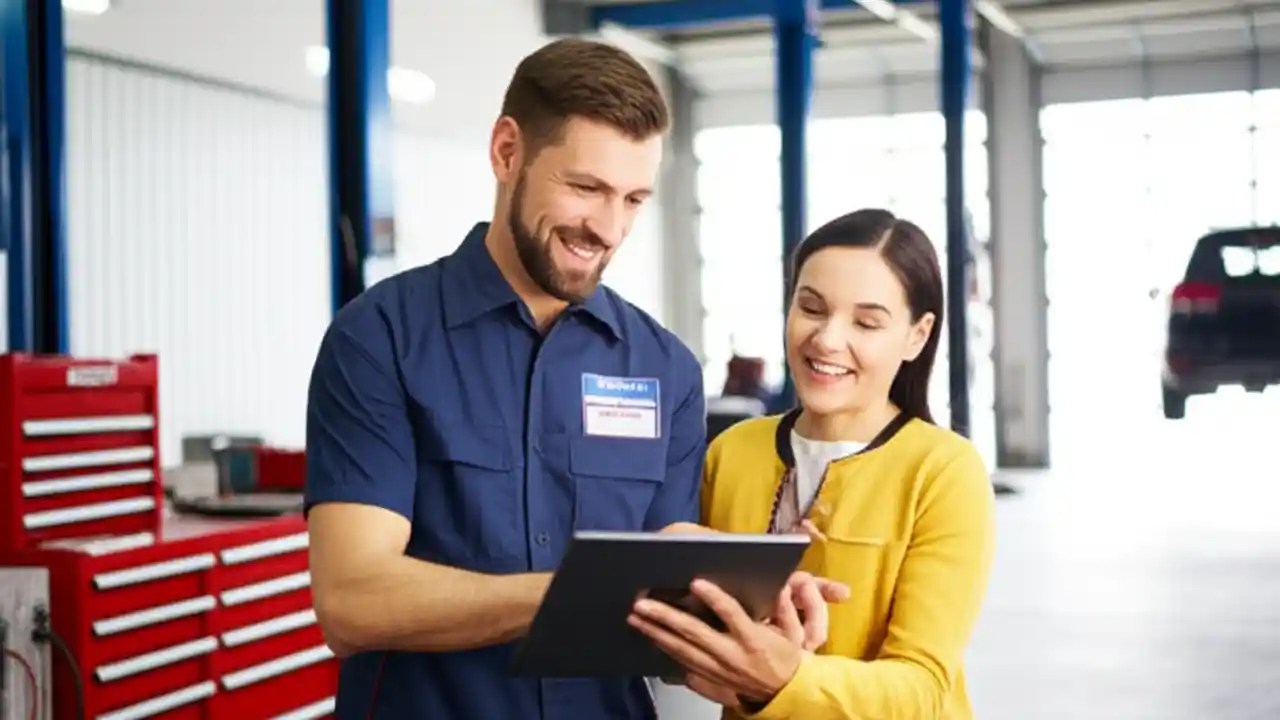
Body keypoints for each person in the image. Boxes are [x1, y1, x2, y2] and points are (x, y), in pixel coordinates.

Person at [302, 38, 833, 720]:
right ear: (506, 153)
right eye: (585, 188)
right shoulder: (381, 338)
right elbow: (353, 601)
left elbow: (664, 602)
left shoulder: (663, 367)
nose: (608, 228)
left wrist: (753, 619)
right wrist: (591, 591)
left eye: (634, 198)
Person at [627, 208, 997, 719]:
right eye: (811, 307)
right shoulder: (732, 452)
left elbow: (923, 687)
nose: (826, 339)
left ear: (917, 335)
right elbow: (684, 636)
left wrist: (781, 679)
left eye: (867, 322)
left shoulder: (942, 471)